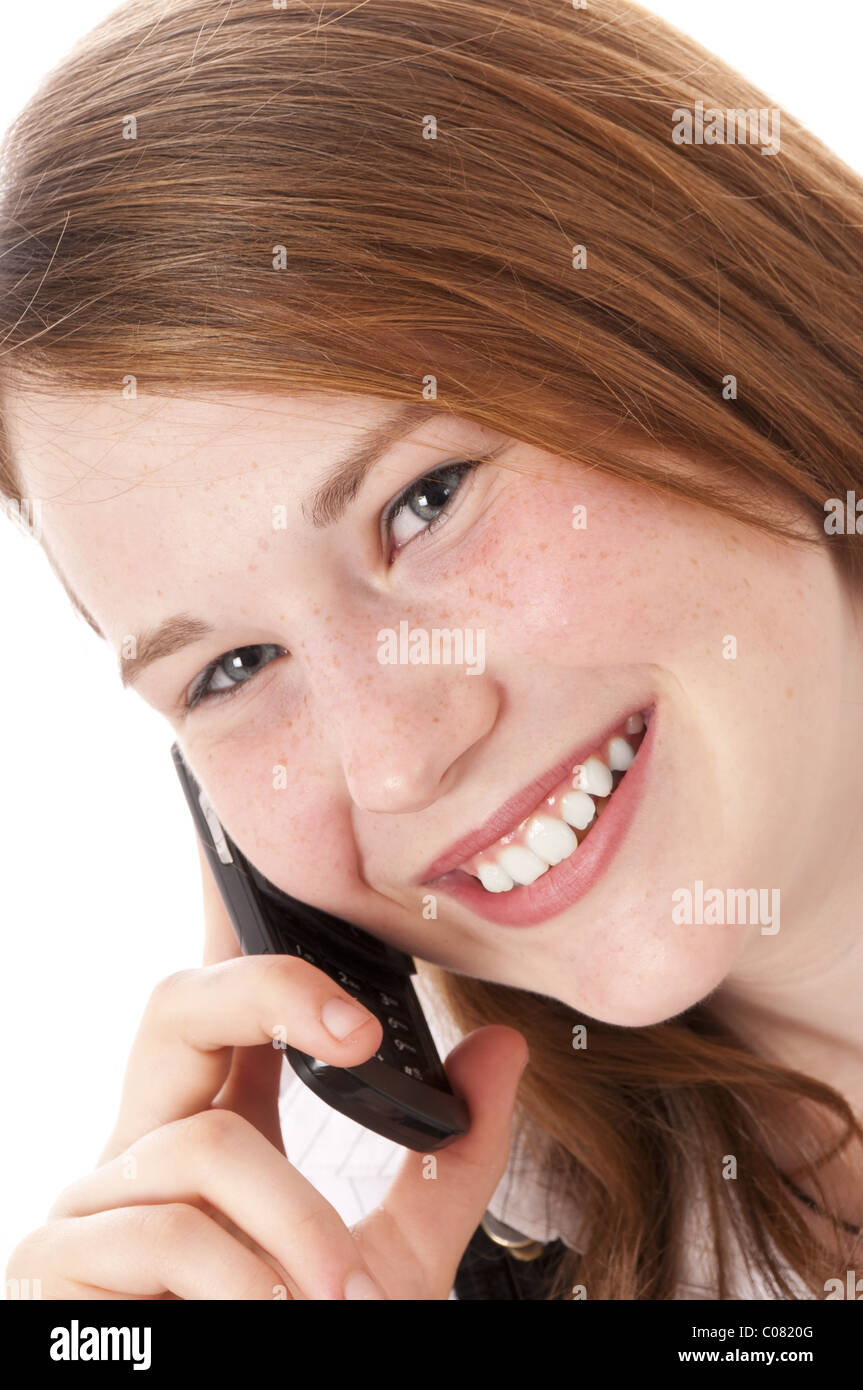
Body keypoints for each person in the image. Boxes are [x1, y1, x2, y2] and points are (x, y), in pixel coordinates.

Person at [3, 0, 863, 1300]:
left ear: (700, 319)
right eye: (230, 670)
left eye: (425, 500)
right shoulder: (412, 1247)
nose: (395, 760)